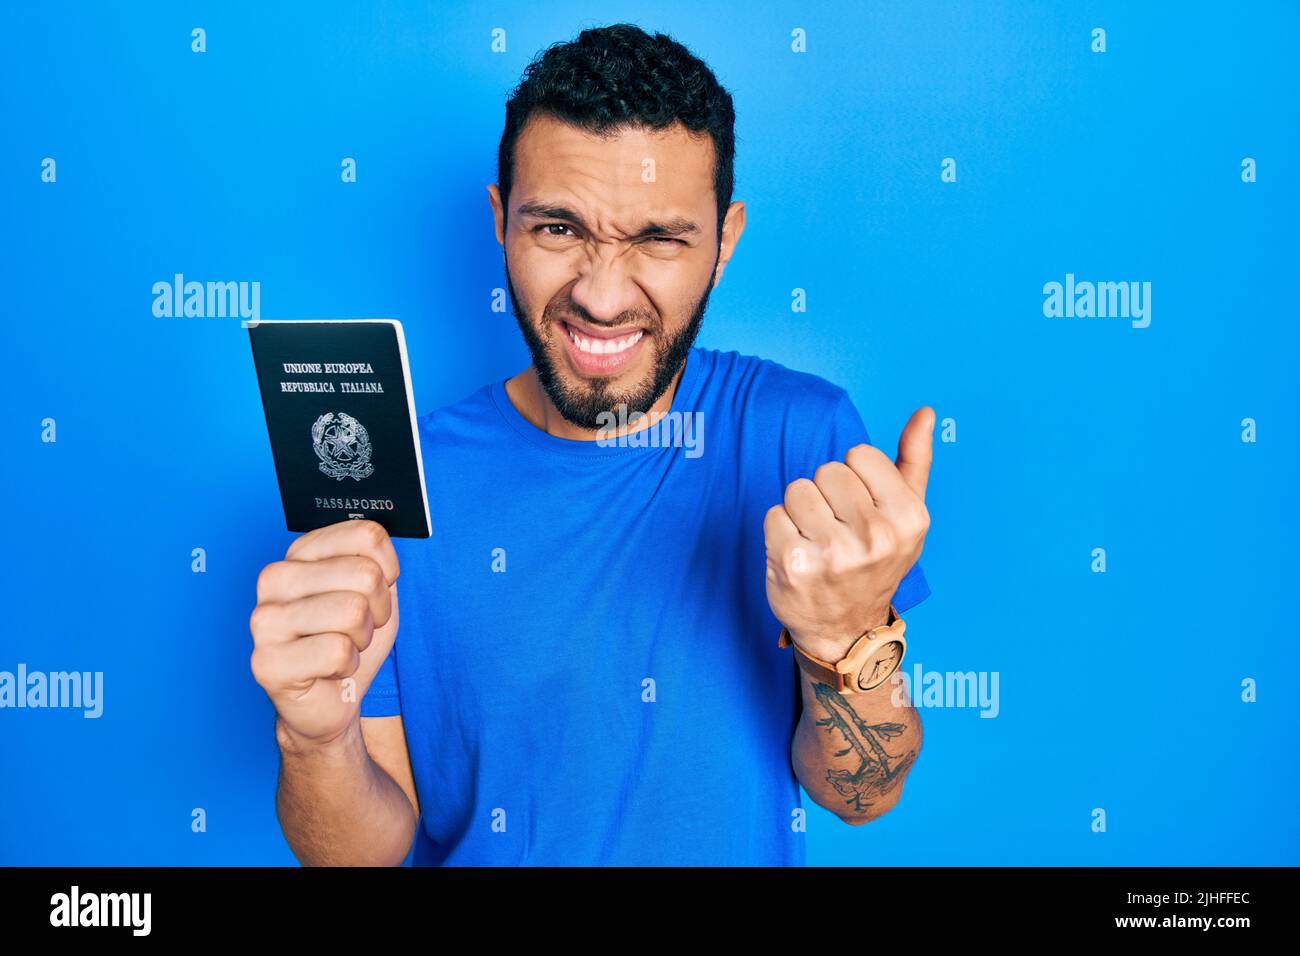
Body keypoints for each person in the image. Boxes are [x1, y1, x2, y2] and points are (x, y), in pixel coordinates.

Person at [249, 22, 934, 866]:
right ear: (502, 222)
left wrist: (847, 641)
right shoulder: (395, 484)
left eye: (659, 238)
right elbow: (360, 856)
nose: (603, 298)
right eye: (559, 230)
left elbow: (858, 795)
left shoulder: (804, 440)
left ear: (724, 242)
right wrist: (312, 739)